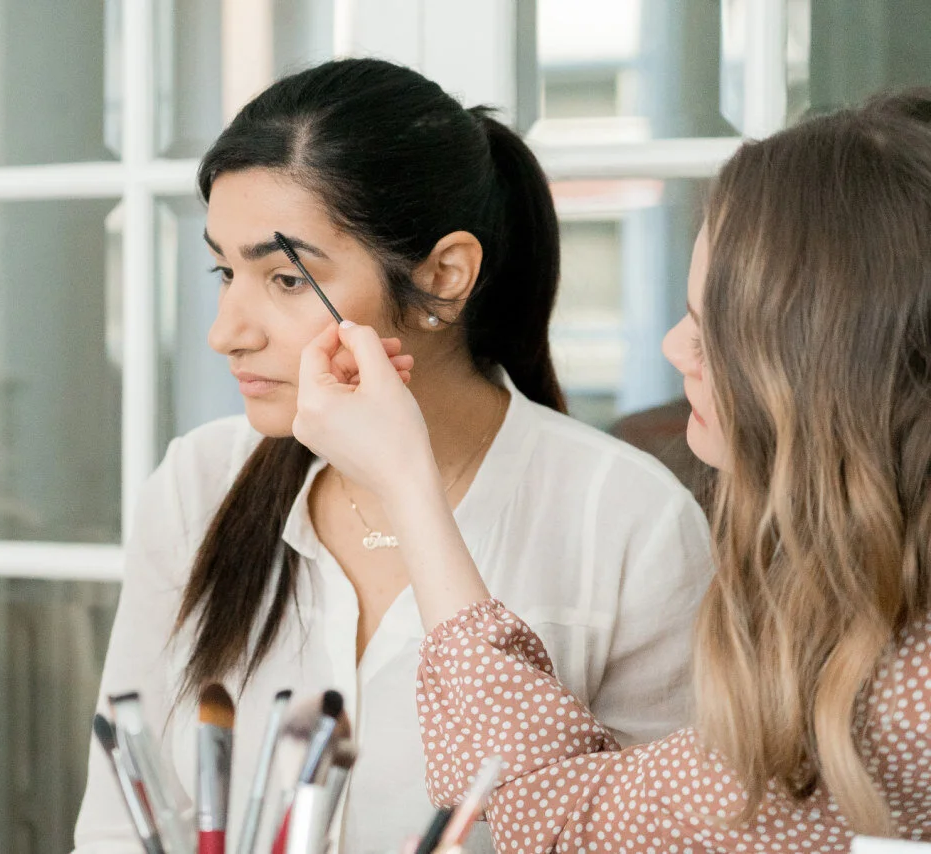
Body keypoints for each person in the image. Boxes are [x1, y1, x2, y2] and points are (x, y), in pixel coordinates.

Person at [74, 58, 712, 853]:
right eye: (224, 269)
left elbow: (668, 839)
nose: (226, 330)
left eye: (284, 278)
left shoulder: (628, 520)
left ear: (444, 277)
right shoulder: (196, 485)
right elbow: (118, 824)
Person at [292, 102, 931, 850]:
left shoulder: (892, 704)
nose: (674, 346)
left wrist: (406, 483)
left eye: (714, 324)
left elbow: (545, 811)